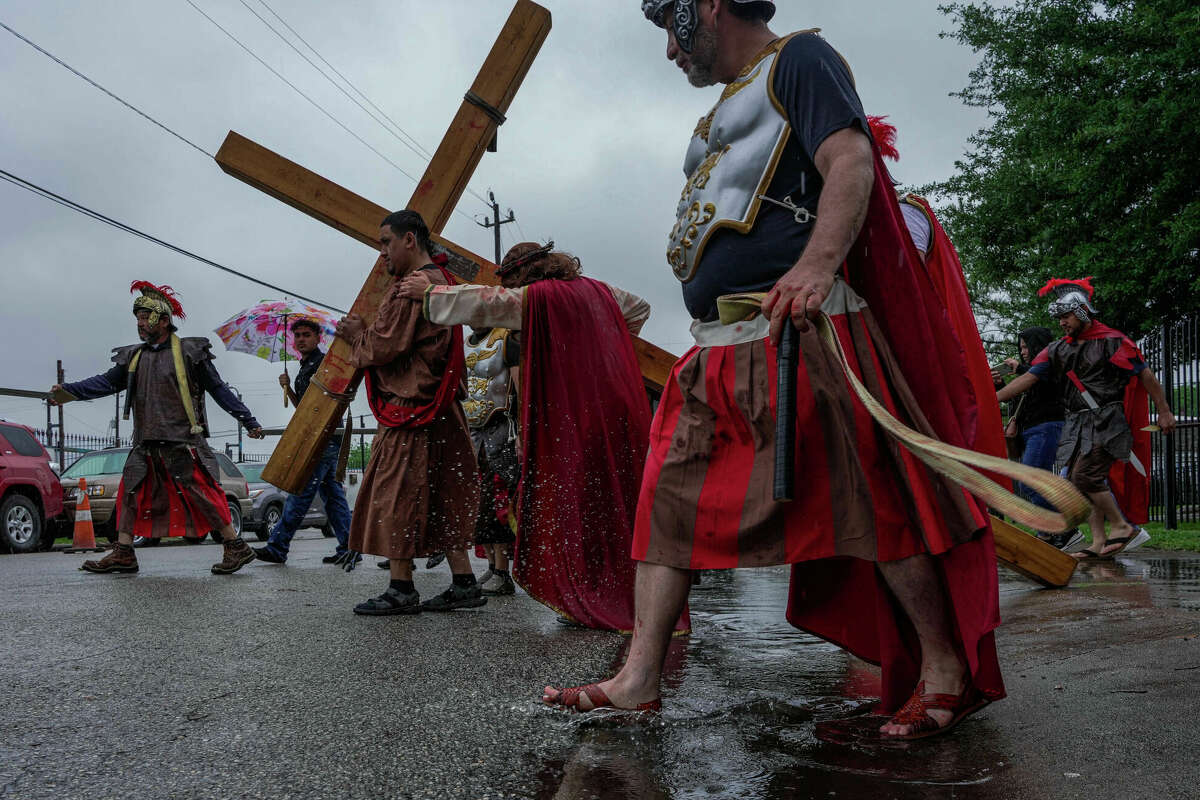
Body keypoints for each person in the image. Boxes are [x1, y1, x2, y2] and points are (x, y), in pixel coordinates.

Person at [537, 0, 1008, 740]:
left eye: (672, 25)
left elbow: (849, 158)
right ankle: (638, 679)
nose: (669, 51)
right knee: (664, 506)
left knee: (872, 507)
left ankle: (943, 667)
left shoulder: (802, 61)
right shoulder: (727, 104)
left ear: (711, 5)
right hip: (715, 348)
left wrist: (817, 265)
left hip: (802, 333)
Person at [398, 241, 681, 635]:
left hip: (577, 410)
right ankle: (640, 598)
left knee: (581, 503)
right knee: (622, 499)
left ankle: (597, 595)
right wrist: (602, 343)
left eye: (511, 278)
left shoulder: (538, 298)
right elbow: (640, 309)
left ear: (521, 275)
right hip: (618, 404)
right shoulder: (602, 291)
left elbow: (484, 302)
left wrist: (428, 293)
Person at [50, 281, 265, 574]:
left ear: (163, 321)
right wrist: (69, 391)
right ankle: (124, 552)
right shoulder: (134, 357)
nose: (139, 323)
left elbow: (218, 389)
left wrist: (248, 419)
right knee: (129, 492)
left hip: (183, 441)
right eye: (137, 317)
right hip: (145, 442)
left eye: (145, 317)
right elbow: (104, 383)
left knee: (204, 493)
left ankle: (235, 546)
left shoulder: (190, 352)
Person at [337, 210, 481, 615]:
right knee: (442, 492)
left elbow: (385, 346)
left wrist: (354, 337)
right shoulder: (442, 283)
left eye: (386, 242)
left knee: (395, 493)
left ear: (410, 240)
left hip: (412, 406)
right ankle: (464, 581)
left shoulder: (411, 288)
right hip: (444, 405)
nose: (382, 252)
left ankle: (401, 587)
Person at [997, 278, 1175, 559]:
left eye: (1066, 316)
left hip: (1107, 421)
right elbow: (1029, 377)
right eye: (1059, 318)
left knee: (1084, 476)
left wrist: (1164, 410)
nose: (1062, 323)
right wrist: (993, 398)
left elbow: (1145, 374)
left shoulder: (1112, 341)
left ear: (1081, 311)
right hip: (1076, 424)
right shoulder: (1058, 348)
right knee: (1073, 482)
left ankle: (1122, 527)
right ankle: (1098, 541)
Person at [252, 318, 355, 567]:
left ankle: (278, 546)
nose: (300, 339)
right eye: (297, 335)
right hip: (317, 437)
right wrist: (288, 389)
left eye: (306, 334)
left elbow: (328, 404)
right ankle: (350, 547)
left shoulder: (323, 365)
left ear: (318, 337)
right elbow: (304, 408)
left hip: (322, 439)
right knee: (332, 496)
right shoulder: (305, 366)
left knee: (301, 491)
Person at [993, 327, 1082, 550]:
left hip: (1045, 426)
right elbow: (1021, 399)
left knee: (1030, 481)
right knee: (1036, 482)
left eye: (1026, 346)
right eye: (1020, 347)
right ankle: (1047, 533)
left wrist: (1021, 369)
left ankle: (1064, 527)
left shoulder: (1050, 363)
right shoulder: (1031, 371)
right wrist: (1000, 384)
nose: (1023, 351)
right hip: (1032, 429)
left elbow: (1046, 383)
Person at [462, 325, 520, 596]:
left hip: (502, 427)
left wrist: (521, 430)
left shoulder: (505, 339)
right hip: (476, 428)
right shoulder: (465, 343)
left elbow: (519, 385)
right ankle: (495, 566)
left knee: (500, 499)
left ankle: (504, 571)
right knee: (483, 500)